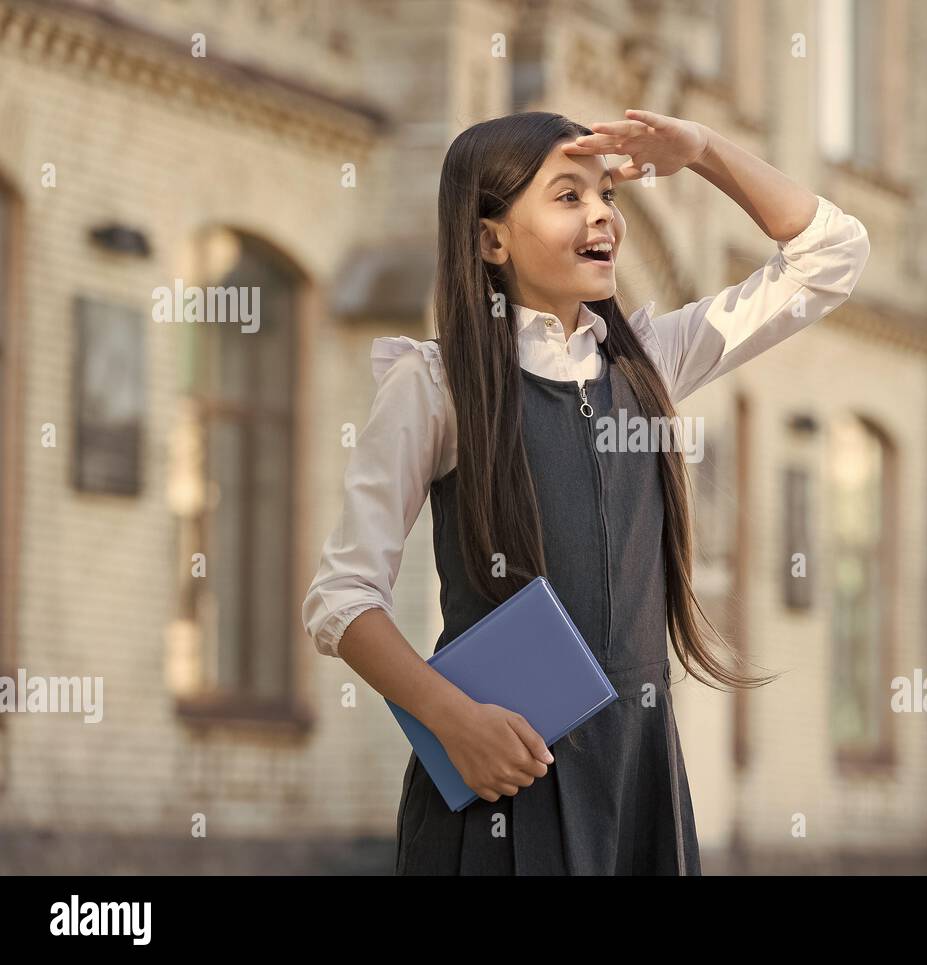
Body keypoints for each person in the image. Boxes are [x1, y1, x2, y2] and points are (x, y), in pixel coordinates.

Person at [301, 109, 871, 874]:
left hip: (640, 782)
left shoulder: (651, 364)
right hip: (502, 779)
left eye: (606, 193)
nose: (603, 212)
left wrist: (700, 151)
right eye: (568, 196)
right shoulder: (434, 385)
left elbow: (831, 255)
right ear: (491, 238)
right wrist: (453, 721)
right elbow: (342, 598)